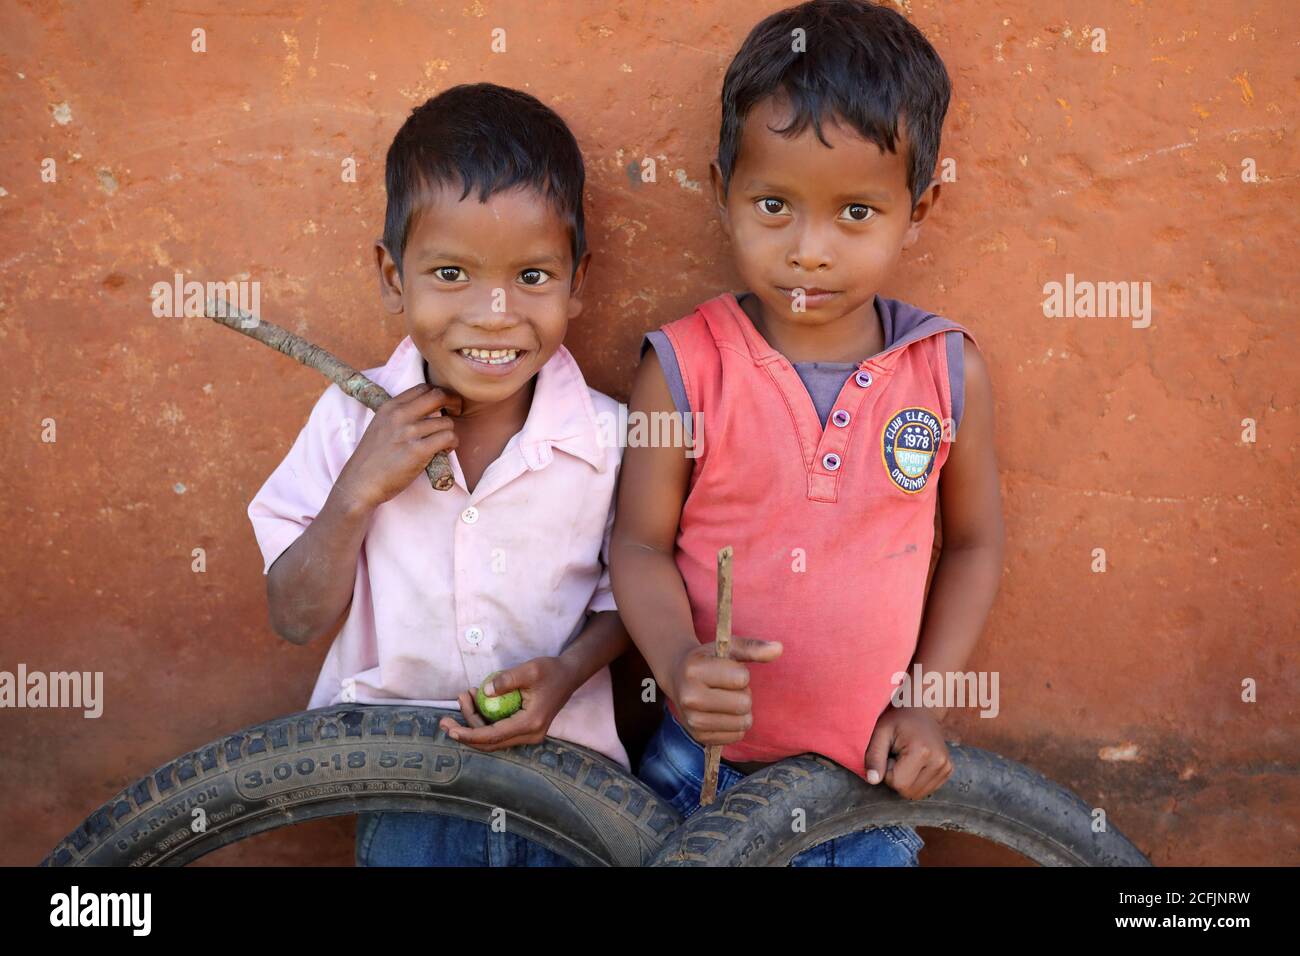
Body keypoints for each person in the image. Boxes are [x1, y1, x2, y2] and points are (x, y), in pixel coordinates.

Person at [611, 0, 1005, 867]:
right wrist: (678, 664)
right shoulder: (683, 366)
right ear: (721, 191)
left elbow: (974, 545)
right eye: (774, 204)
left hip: (865, 790)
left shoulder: (946, 373)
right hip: (697, 779)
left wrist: (925, 700)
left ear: (922, 206)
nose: (809, 251)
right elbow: (636, 546)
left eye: (855, 214)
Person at [247, 83, 629, 867]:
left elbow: (634, 600)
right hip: (402, 787)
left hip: (571, 792)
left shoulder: (609, 439)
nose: (493, 314)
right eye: (451, 273)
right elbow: (293, 615)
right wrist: (357, 490)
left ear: (577, 280)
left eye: (531, 277)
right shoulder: (350, 422)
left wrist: (567, 673)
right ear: (393, 276)